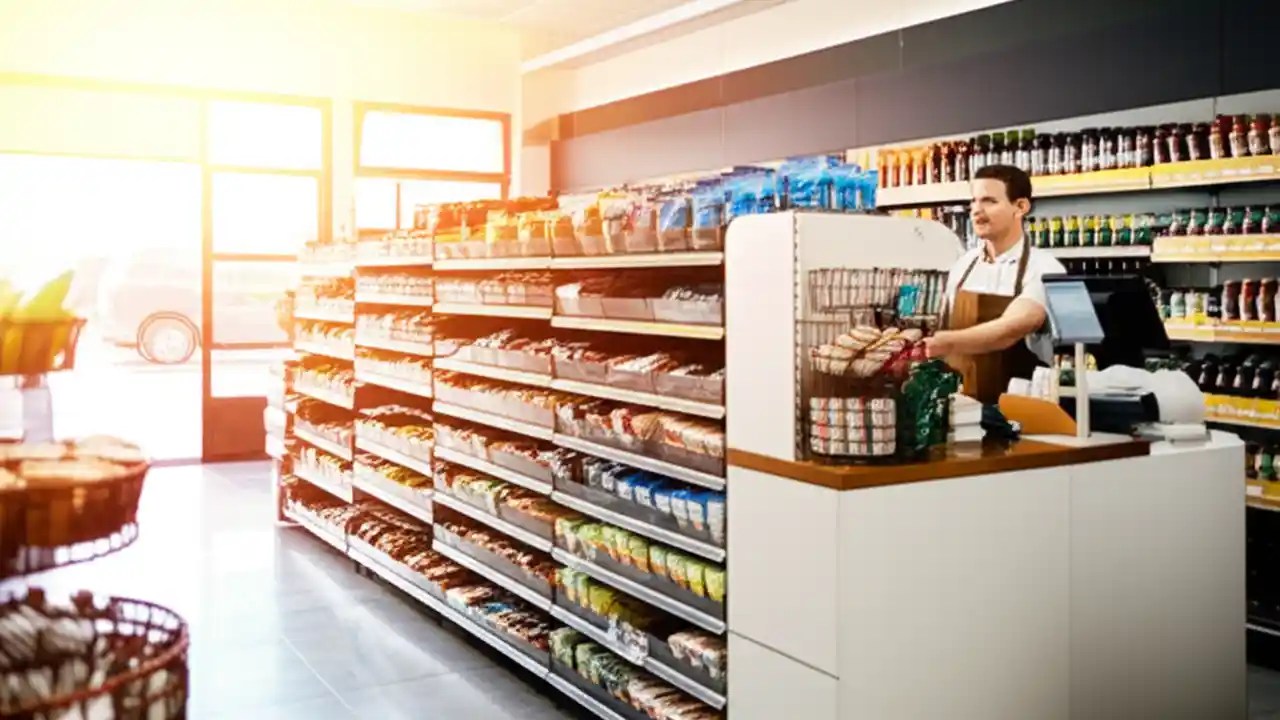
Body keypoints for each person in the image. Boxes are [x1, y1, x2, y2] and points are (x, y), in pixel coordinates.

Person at [923, 164, 1066, 404]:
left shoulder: (1044, 267)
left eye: (989, 201)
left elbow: (1011, 329)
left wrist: (944, 342)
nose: (977, 210)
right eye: (974, 201)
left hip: (1019, 407)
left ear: (1020, 207)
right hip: (959, 402)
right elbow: (944, 318)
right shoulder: (964, 265)